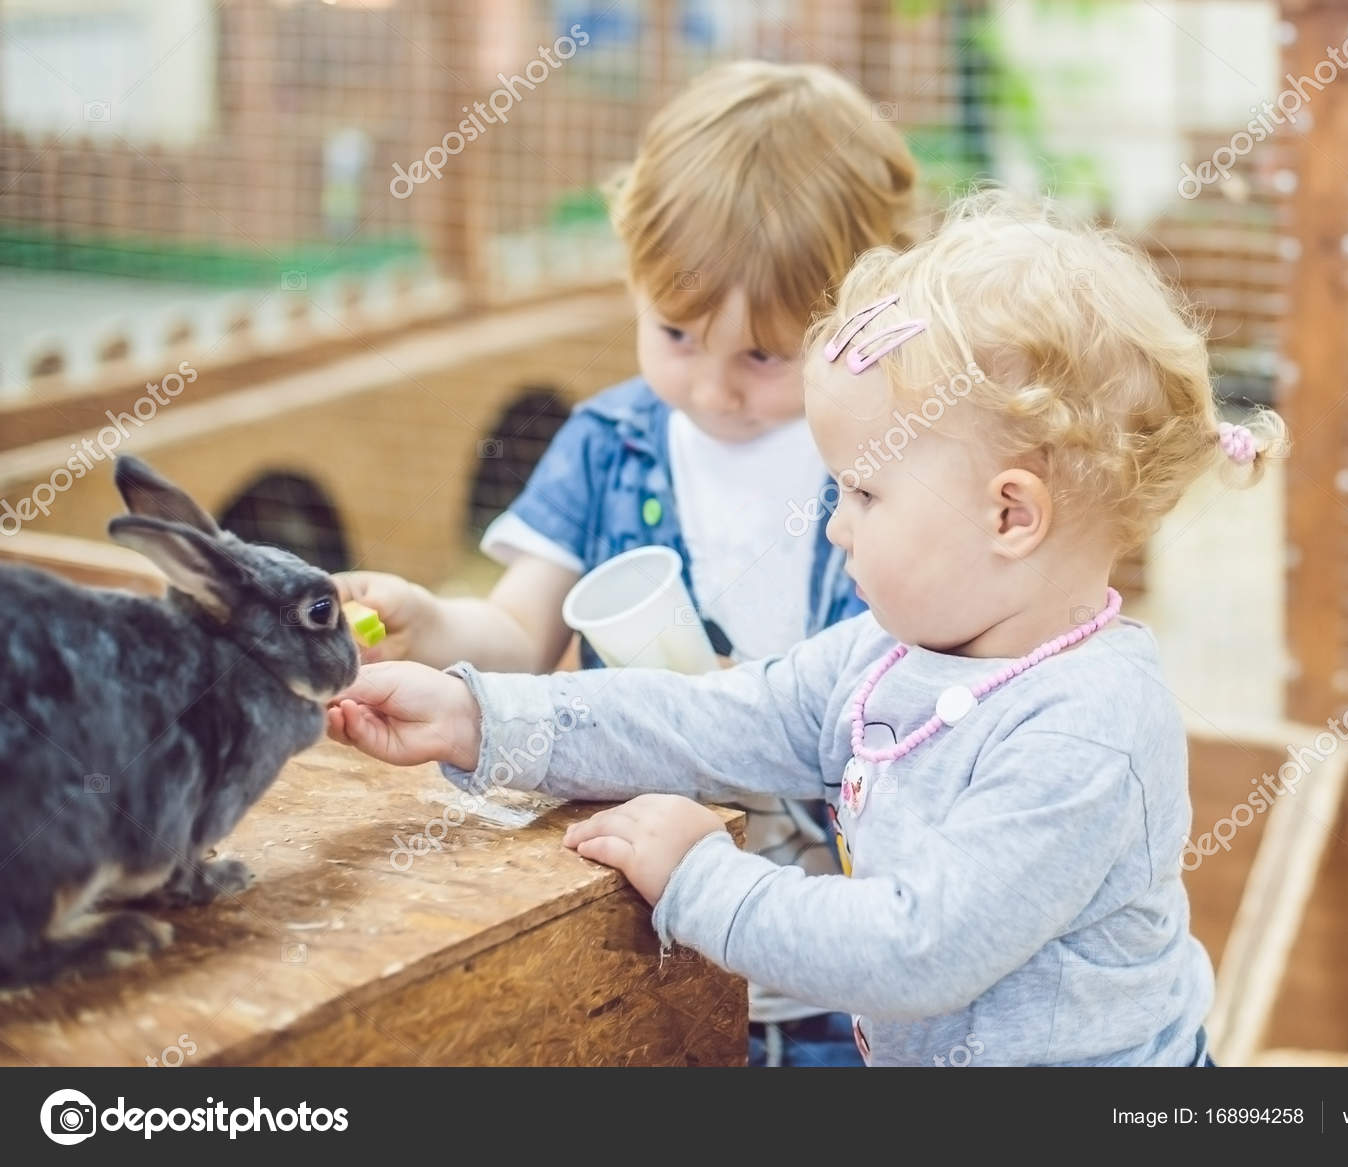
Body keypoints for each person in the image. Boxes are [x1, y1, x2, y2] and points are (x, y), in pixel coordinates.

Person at [329, 191, 1284, 1065]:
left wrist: (702, 881)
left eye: (864, 491)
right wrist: (478, 717)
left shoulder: (1085, 728)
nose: (835, 524)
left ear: (1010, 516)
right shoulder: (883, 657)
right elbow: (705, 719)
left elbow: (917, 948)